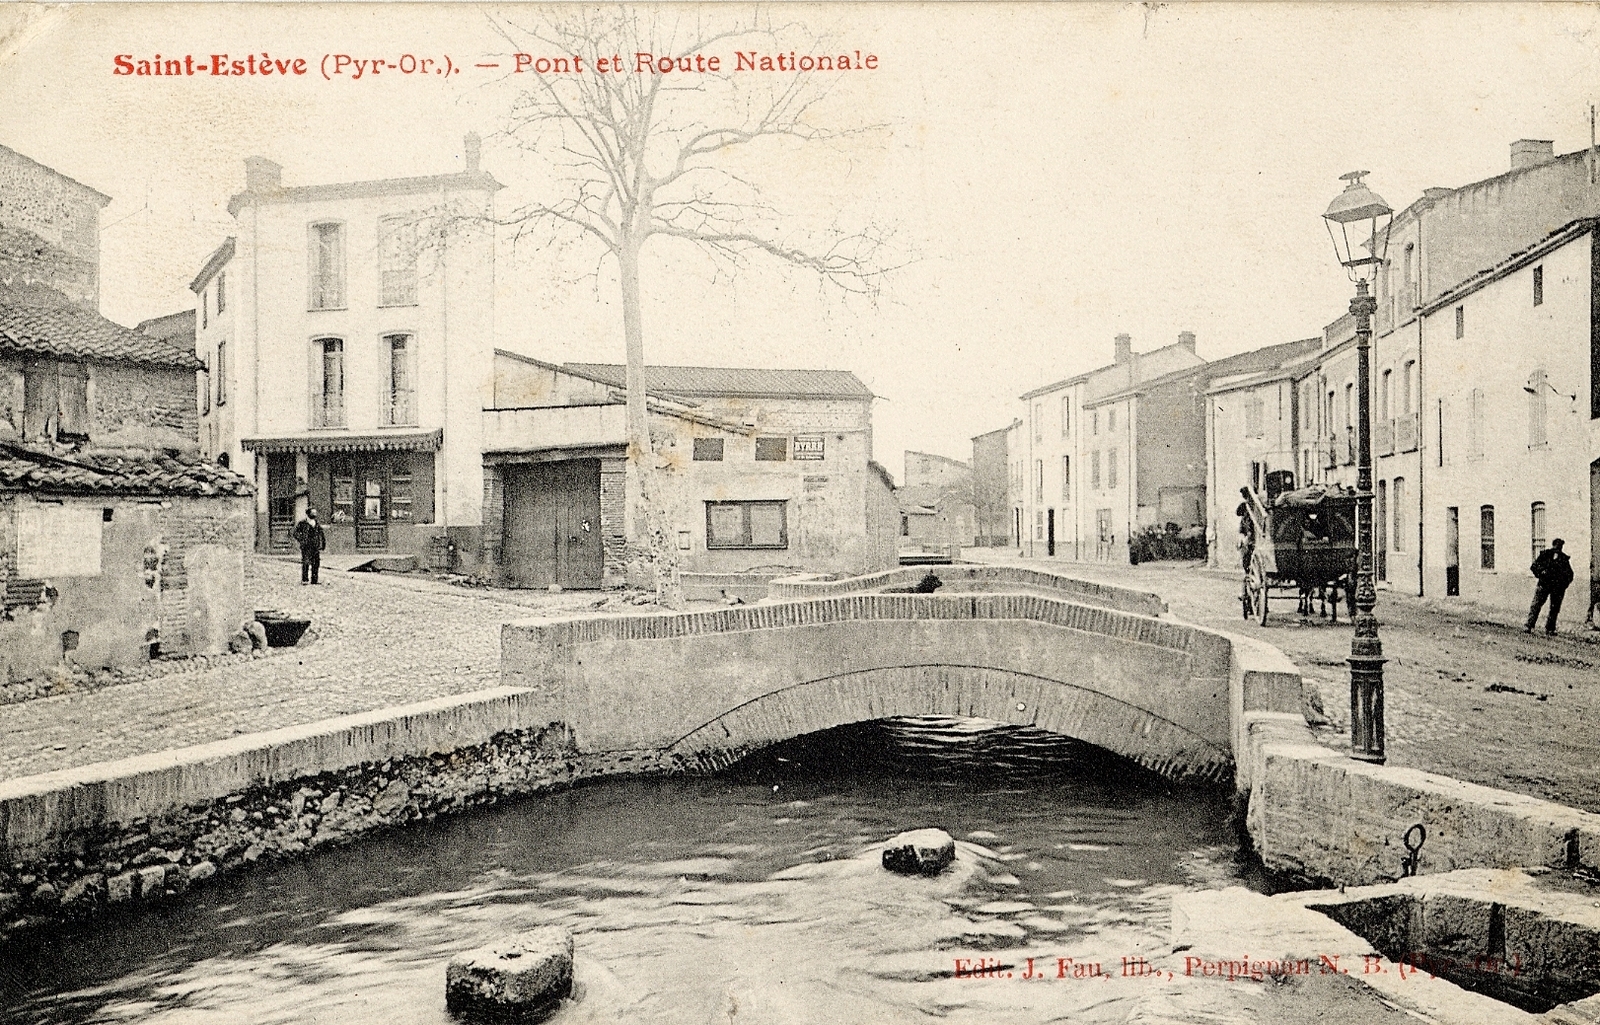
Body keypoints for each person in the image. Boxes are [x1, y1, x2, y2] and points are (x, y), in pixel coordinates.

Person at [1526, 537, 1574, 635]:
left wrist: (1563, 585)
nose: (1558, 548)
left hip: (1557, 588)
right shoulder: (1545, 555)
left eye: (1560, 546)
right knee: (1536, 605)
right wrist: (1541, 573)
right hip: (1544, 585)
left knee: (1554, 608)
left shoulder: (1564, 559)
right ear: (1553, 545)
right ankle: (1529, 625)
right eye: (1557, 546)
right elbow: (1534, 566)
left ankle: (1550, 628)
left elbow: (1570, 575)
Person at [293, 507, 327, 585]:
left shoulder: (316, 523)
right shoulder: (302, 523)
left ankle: (314, 580)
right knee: (306, 562)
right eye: (313, 513)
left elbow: (321, 534)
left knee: (316, 563)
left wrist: (322, 544)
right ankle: (305, 579)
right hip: (306, 546)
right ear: (308, 514)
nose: (315, 514)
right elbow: (295, 533)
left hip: (315, 546)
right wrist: (302, 539)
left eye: (315, 513)